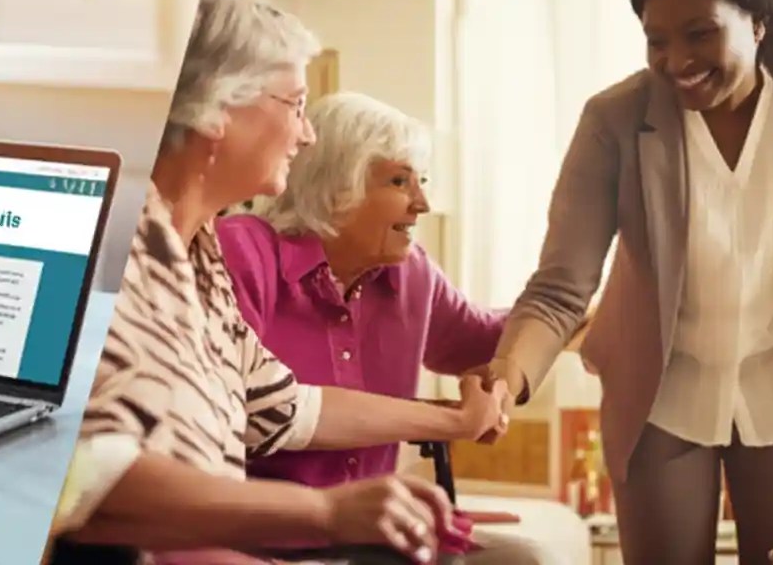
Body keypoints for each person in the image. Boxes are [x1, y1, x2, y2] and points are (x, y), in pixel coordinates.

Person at [49, 0, 504, 565]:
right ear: (216, 108)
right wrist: (325, 513)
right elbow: (86, 481)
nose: (306, 134)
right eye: (295, 105)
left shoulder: (198, 256)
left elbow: (286, 408)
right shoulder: (120, 243)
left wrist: (455, 420)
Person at [480, 0, 773, 564]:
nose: (677, 61)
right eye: (657, 40)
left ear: (759, 22)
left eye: (700, 33)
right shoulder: (615, 120)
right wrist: (507, 379)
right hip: (661, 395)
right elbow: (560, 288)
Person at [217, 92, 554, 563]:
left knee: (522, 559)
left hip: (366, 538)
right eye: (399, 181)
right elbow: (259, 409)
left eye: (421, 181)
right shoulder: (242, 251)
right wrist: (457, 420)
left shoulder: (411, 272)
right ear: (336, 184)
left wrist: (574, 310)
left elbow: (483, 339)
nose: (422, 204)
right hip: (254, 537)